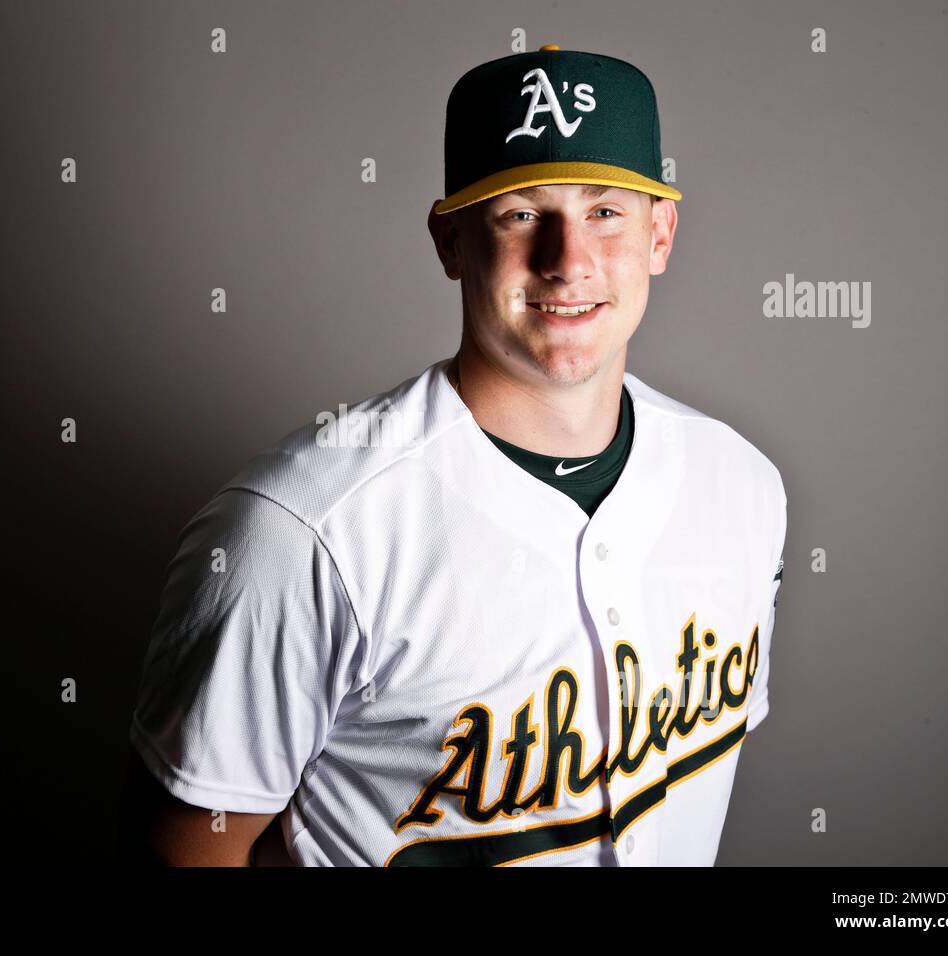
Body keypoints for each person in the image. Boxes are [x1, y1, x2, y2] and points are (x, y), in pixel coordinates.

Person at [120, 45, 786, 867]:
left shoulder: (746, 488)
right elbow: (187, 851)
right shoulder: (301, 532)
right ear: (450, 242)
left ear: (661, 234)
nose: (567, 259)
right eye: (519, 213)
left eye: (605, 212)